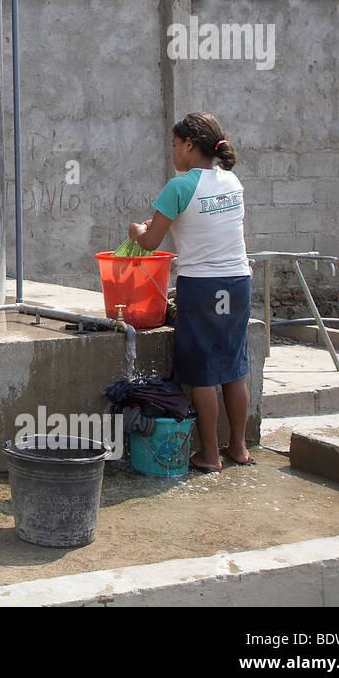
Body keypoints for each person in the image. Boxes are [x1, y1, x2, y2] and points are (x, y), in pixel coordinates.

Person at [126, 112, 253, 472]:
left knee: (203, 372)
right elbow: (207, 223)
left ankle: (210, 455)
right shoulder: (232, 181)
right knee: (234, 367)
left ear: (190, 145)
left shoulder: (179, 187)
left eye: (174, 144)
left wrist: (136, 229)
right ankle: (239, 449)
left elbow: (150, 242)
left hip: (202, 286)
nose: (172, 151)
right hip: (238, 282)